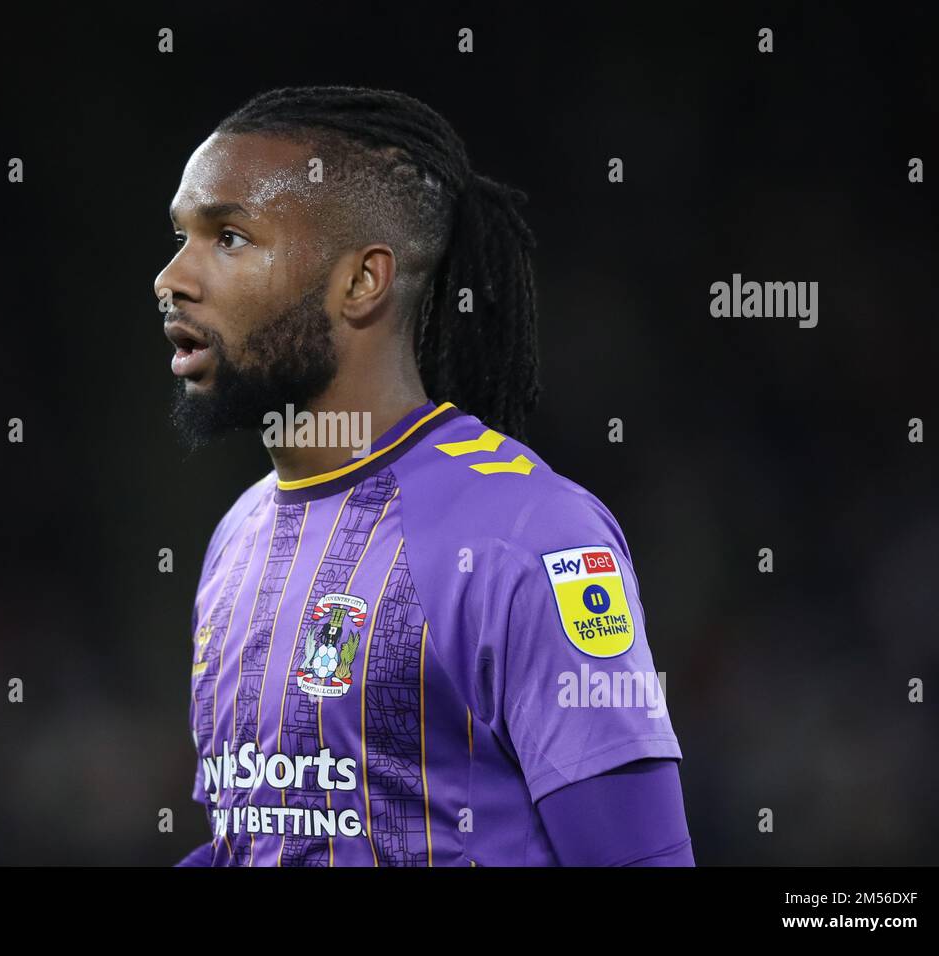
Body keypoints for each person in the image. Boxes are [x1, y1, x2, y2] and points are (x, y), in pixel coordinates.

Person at [155, 86, 693, 866]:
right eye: (179, 237)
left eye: (230, 237)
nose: (173, 277)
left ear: (362, 282)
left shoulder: (531, 539)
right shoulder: (238, 536)